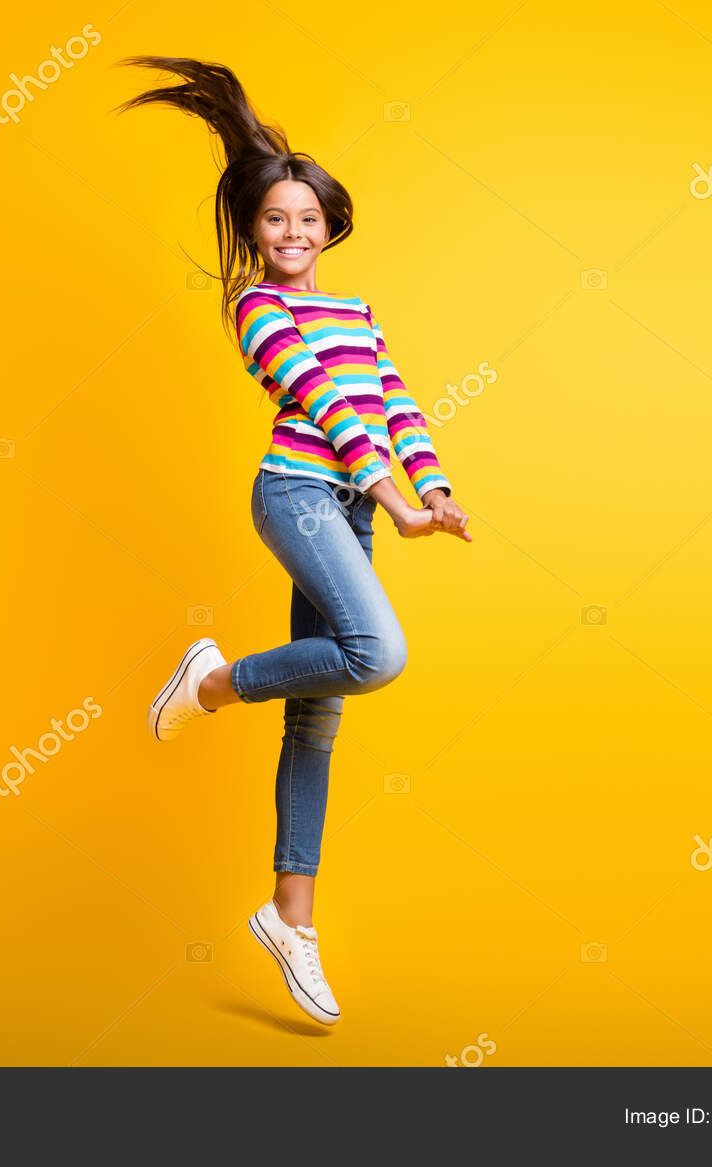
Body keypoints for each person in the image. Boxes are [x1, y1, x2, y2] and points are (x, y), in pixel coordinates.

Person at [123, 57, 471, 1026]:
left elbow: (392, 404)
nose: (290, 232)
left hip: (353, 503)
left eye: (306, 218)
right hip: (300, 495)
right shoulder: (257, 308)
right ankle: (211, 683)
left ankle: (291, 918)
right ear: (252, 230)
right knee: (377, 653)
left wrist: (432, 488)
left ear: (329, 226)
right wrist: (391, 502)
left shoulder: (356, 312)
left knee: (317, 721)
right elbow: (325, 404)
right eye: (273, 219)